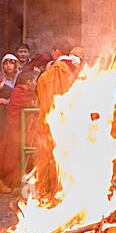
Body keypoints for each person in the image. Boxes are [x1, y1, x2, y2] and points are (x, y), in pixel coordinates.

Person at [33, 41, 80, 197]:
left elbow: (41, 94)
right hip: (73, 121)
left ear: (57, 52)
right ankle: (67, 190)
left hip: (51, 121)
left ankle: (48, 190)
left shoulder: (50, 74)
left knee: (49, 156)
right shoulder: (78, 72)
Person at [0, 66, 38, 193]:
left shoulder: (29, 93)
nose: (35, 83)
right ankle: (3, 182)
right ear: (28, 82)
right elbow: (16, 109)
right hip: (14, 130)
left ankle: (17, 182)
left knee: (20, 157)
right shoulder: (18, 92)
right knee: (9, 157)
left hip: (25, 131)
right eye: (34, 81)